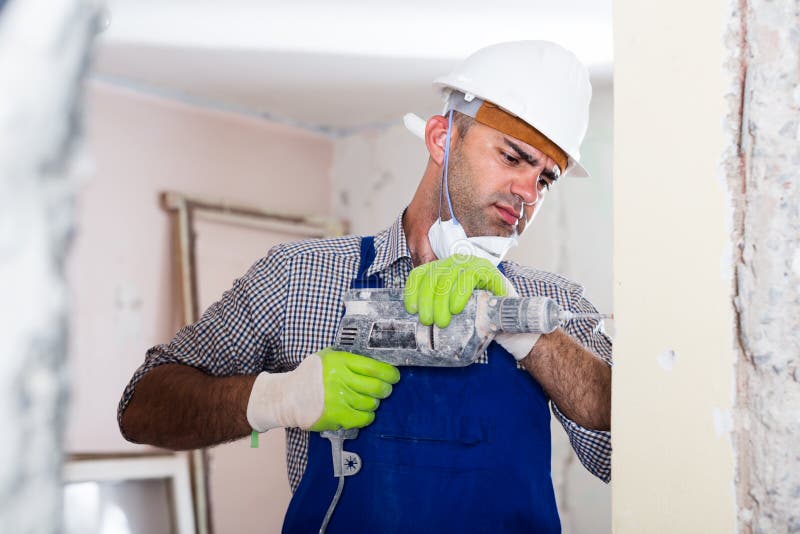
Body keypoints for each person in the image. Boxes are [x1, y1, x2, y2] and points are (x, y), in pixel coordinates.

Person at [118, 40, 612, 533]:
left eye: (546, 179)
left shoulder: (558, 306)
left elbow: (626, 451)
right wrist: (273, 398)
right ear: (442, 138)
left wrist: (524, 326)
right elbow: (141, 407)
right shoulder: (300, 276)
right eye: (512, 157)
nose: (528, 193)